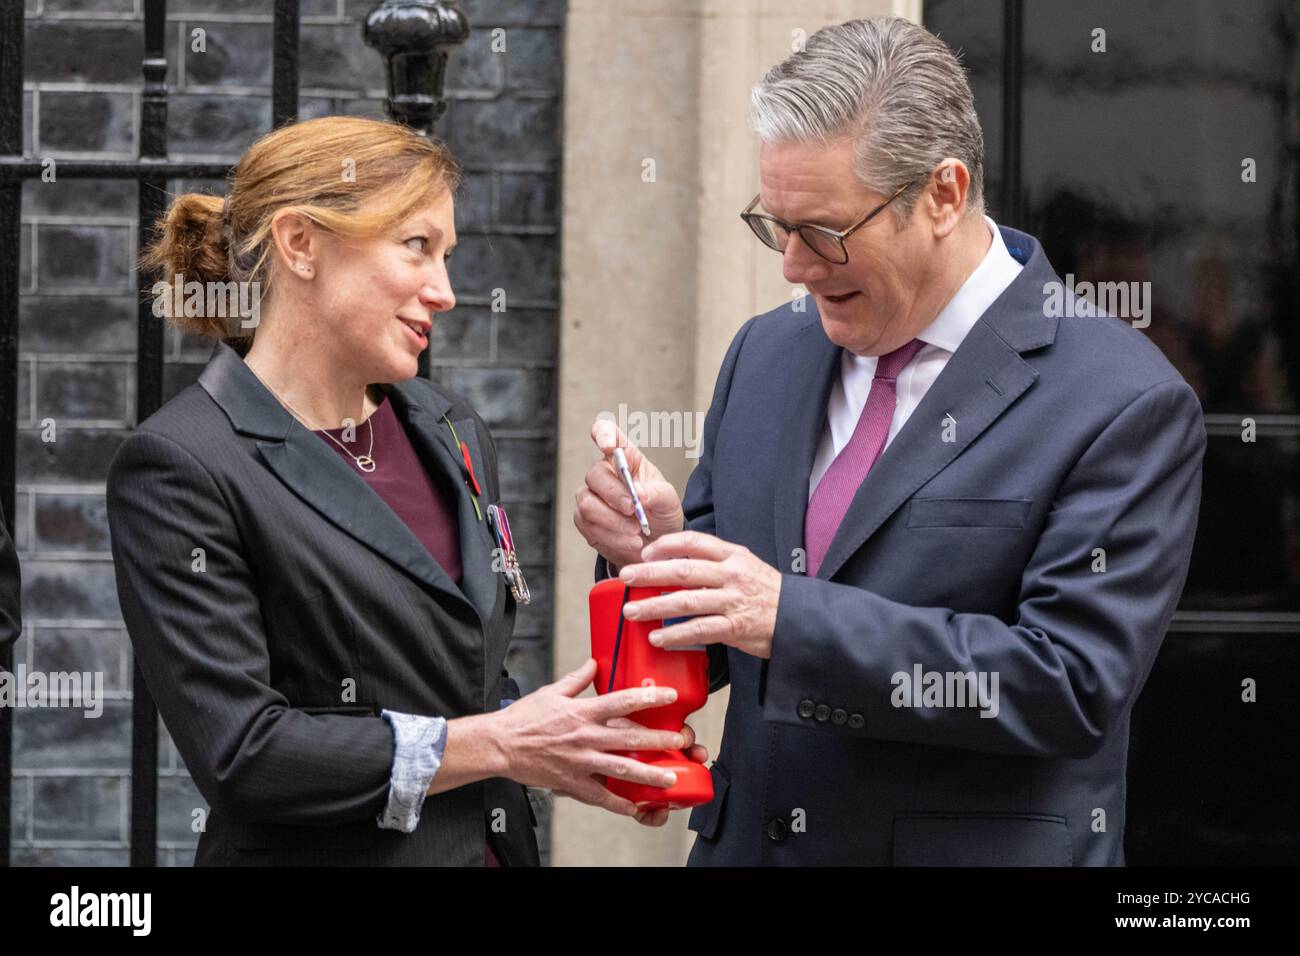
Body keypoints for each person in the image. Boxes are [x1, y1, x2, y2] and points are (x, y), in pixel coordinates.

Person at [573, 17, 1205, 865]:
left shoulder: (1123, 398)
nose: (794, 266)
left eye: (825, 231)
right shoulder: (767, 351)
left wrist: (791, 618)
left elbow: (1068, 686)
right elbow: (733, 639)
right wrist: (655, 552)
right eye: (775, 225)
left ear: (943, 193)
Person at [107, 115, 705, 866]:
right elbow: (245, 754)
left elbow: (462, 677)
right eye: (417, 247)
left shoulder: (448, 425)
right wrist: (501, 744)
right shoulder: (182, 462)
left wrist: (579, 746)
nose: (447, 292)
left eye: (448, 256)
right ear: (300, 244)